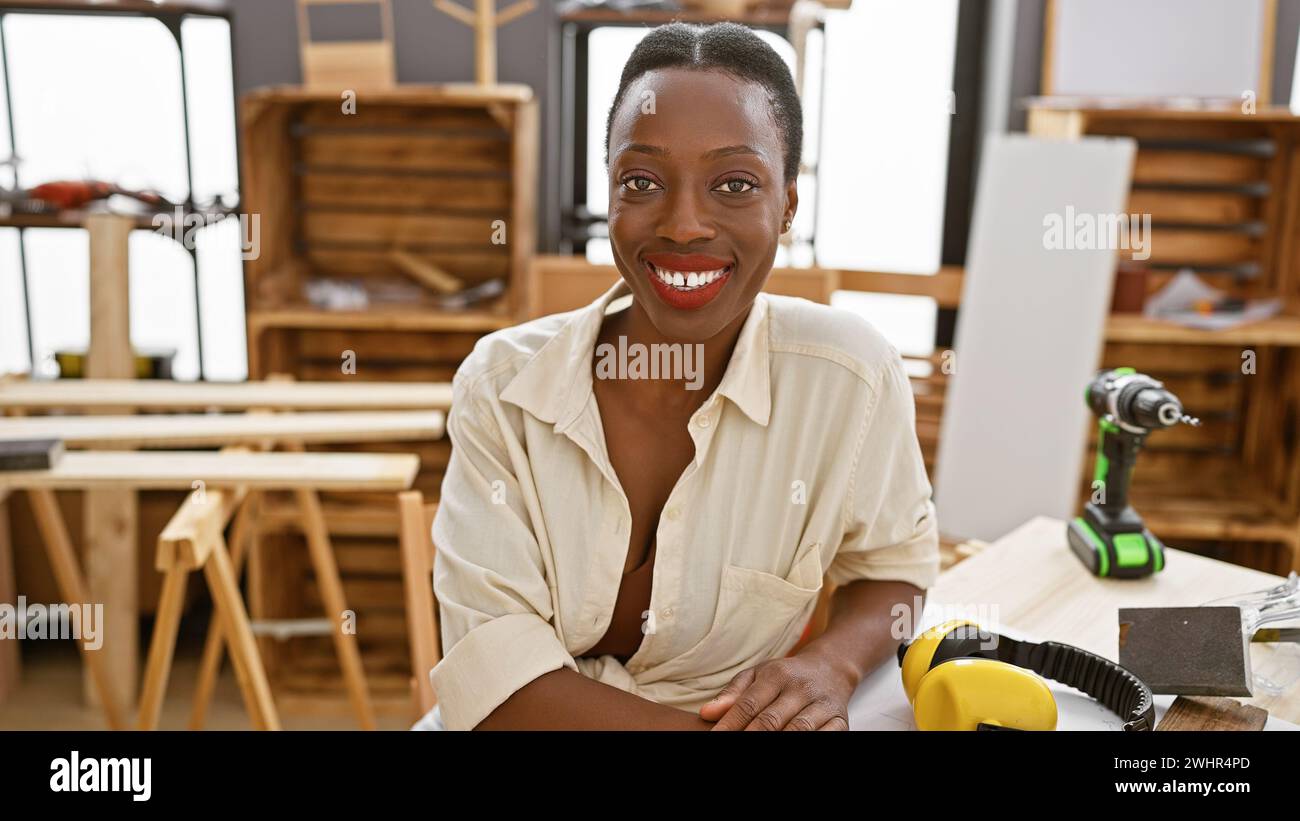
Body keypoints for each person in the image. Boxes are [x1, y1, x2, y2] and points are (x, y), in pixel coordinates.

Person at [416, 21, 939, 731]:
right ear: (609, 196)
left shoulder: (848, 377)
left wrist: (832, 662)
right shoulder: (503, 386)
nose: (685, 224)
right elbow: (500, 686)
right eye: (642, 181)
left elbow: (892, 568)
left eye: (734, 183)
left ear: (787, 205)